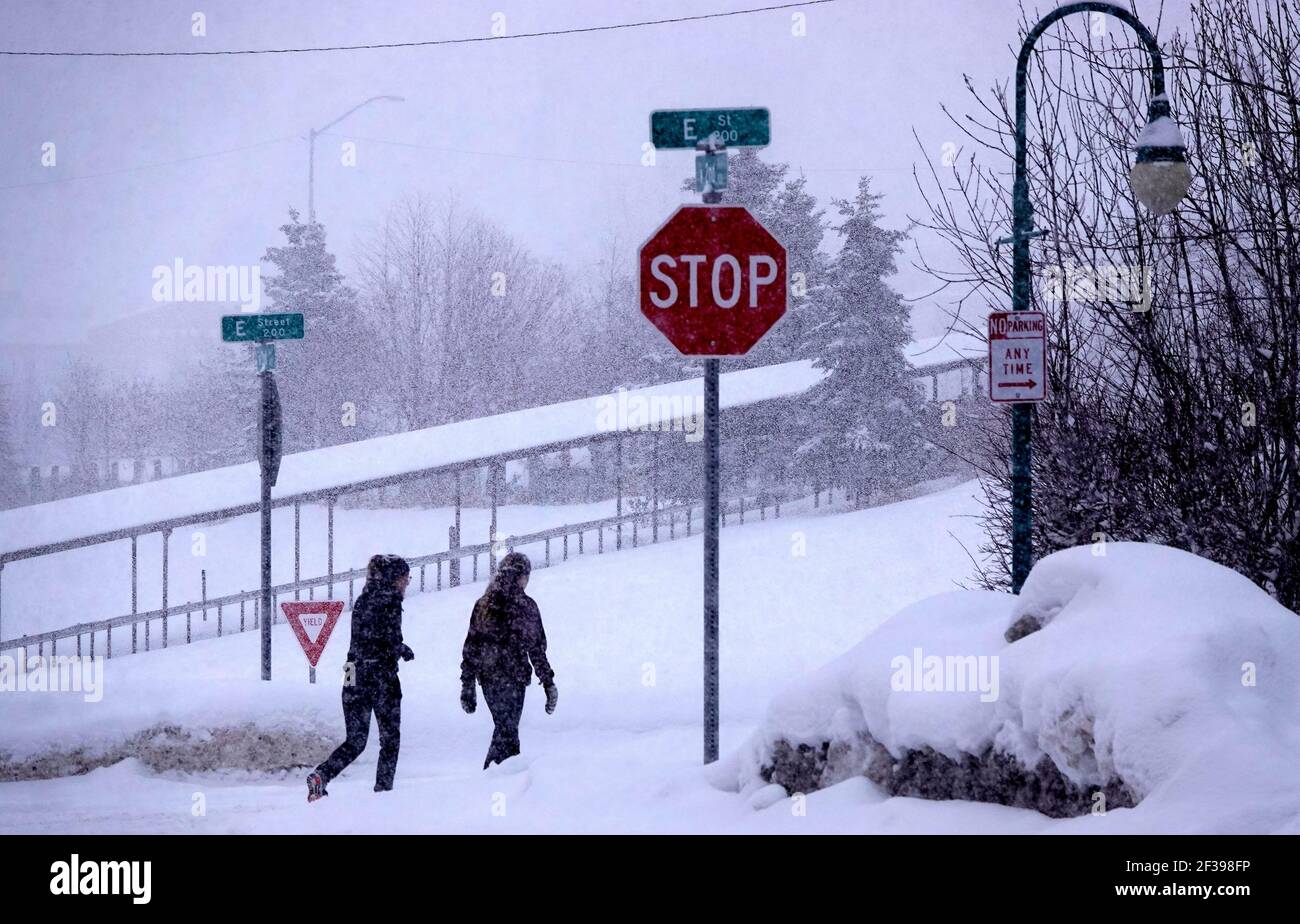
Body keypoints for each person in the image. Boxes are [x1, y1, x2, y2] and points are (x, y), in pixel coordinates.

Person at [308, 554, 414, 802]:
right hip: (379, 676)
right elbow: (385, 641)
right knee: (390, 740)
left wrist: (397, 647)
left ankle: (321, 774)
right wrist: (400, 649)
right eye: (404, 578)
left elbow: (367, 638)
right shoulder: (390, 601)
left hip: (352, 672)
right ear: (393, 578)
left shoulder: (363, 600)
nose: (406, 583)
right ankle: (383, 794)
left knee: (355, 740)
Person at [460, 552, 557, 768]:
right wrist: (548, 681)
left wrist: (467, 684)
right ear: (521, 576)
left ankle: (503, 776)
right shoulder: (525, 605)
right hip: (513, 677)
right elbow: (536, 648)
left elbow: (471, 646)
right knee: (507, 730)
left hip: (488, 677)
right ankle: (497, 777)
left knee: (505, 728)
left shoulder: (484, 603)